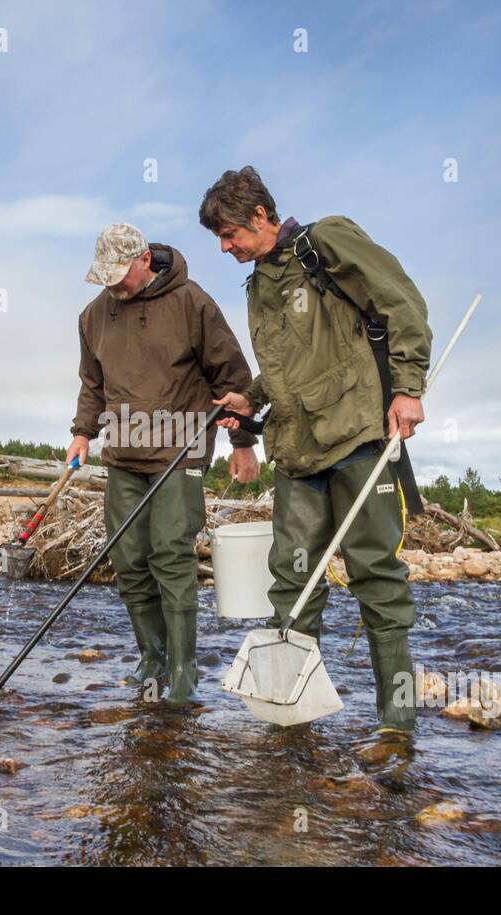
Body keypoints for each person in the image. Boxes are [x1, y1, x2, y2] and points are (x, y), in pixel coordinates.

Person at [199, 166, 432, 757]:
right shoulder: (258, 284)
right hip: (297, 453)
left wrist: (407, 387)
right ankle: (291, 720)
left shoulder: (325, 242)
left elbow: (402, 302)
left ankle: (396, 727)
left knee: (376, 577)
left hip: (357, 436)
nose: (225, 248)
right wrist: (249, 397)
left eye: (229, 234)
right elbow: (287, 367)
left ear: (259, 215)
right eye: (219, 240)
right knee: (293, 584)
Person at [67, 223, 259, 705]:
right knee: (129, 560)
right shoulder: (93, 316)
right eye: (105, 277)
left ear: (145, 260)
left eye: (120, 274)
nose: (114, 284)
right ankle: (151, 657)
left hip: (180, 451)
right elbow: (92, 384)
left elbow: (232, 376)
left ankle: (182, 669)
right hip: (123, 454)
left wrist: (243, 443)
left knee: (171, 557)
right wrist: (81, 433)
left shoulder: (192, 303)